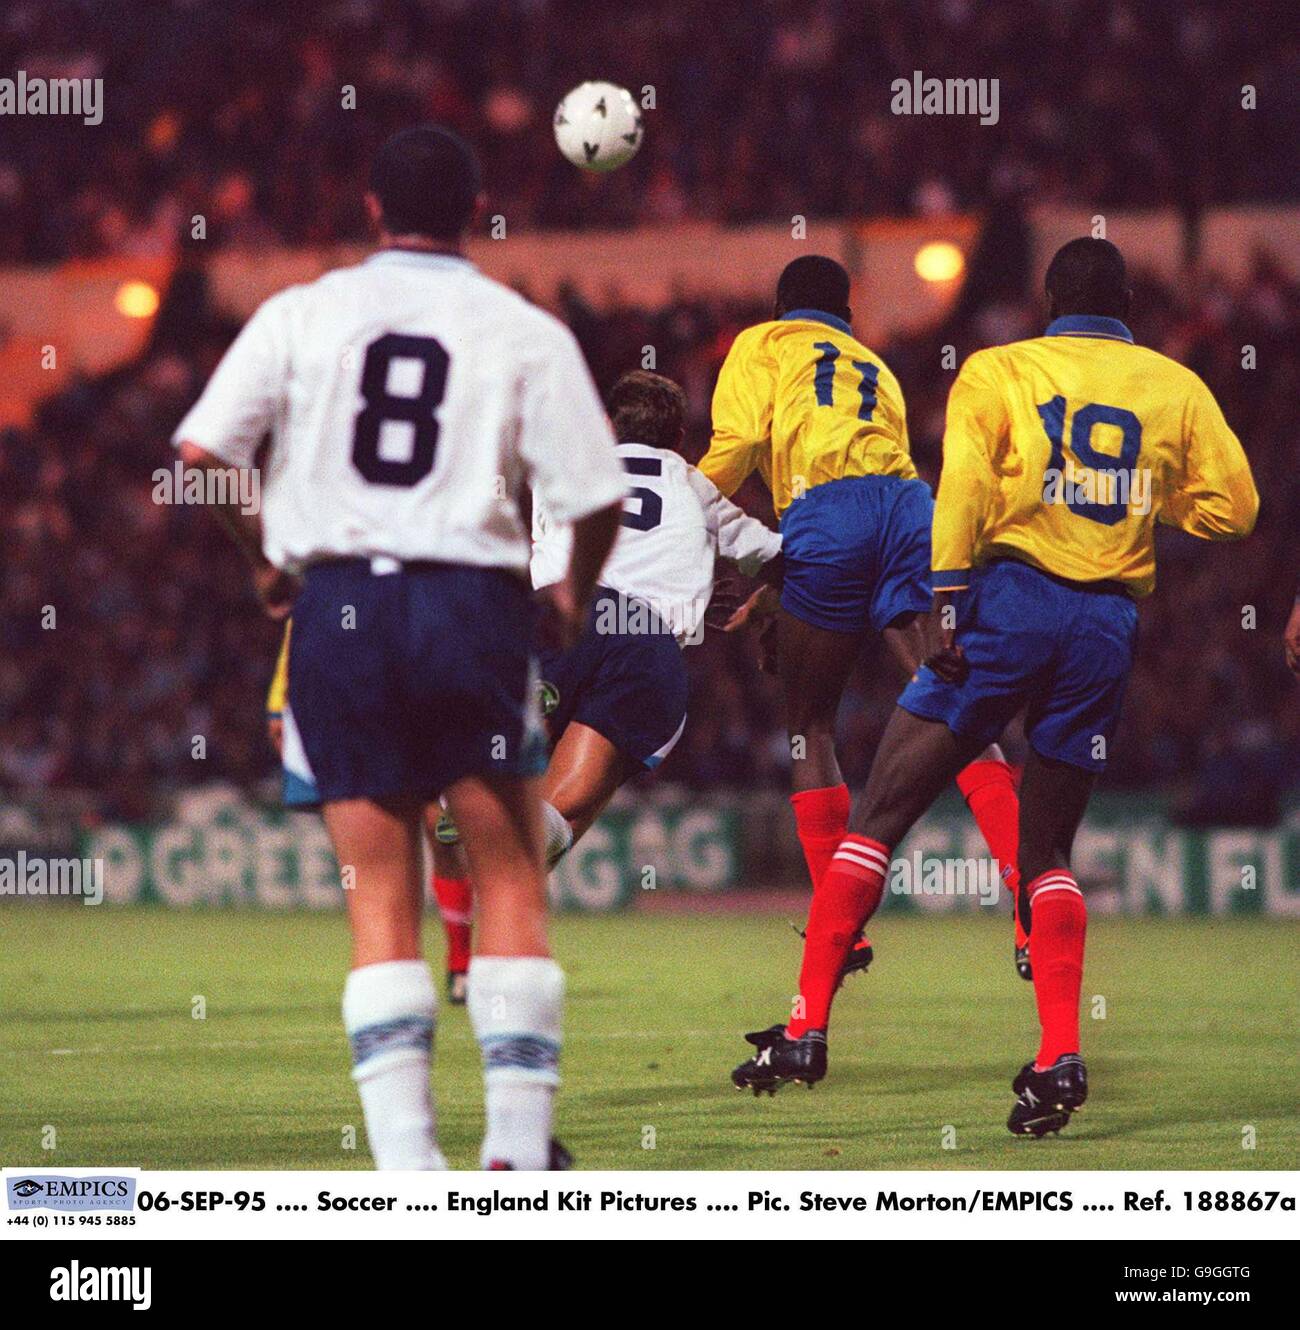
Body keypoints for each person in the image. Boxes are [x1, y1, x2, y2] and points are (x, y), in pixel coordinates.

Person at [174, 125, 626, 1169]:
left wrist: (267, 557)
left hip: (340, 608)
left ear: (373, 208)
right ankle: (513, 1156)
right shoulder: (521, 328)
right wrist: (569, 593)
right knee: (509, 868)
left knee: (377, 891)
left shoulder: (305, 310)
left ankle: (407, 1169)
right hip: (470, 603)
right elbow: (596, 493)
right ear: (476, 210)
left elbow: (201, 452)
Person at [780, 238, 1258, 1130]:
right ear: (1127, 304)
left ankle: (806, 1026)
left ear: (1047, 301)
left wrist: (950, 598)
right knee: (1047, 853)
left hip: (1009, 602)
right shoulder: (1172, 385)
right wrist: (1152, 501)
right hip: (1107, 625)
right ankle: (1058, 1056)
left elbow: (960, 486)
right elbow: (1239, 508)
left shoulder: (1000, 369)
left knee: (882, 810)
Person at [699, 256, 1025, 1093]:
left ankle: (839, 931)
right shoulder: (870, 361)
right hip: (908, 504)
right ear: (845, 312)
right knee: (956, 706)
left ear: (779, 306)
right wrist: (782, 584)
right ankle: (1027, 897)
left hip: (829, 517)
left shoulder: (761, 344)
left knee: (808, 722)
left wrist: (672, 517)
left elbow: (737, 452)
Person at [438, 369, 784, 873]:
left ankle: (476, 779)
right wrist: (765, 600)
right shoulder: (696, 486)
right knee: (551, 830)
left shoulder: (568, 464)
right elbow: (782, 558)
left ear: (604, 424)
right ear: (679, 439)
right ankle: (524, 827)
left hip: (563, 618)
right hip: (650, 645)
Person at [267, 625, 475, 1005]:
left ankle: (459, 962)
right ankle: (386, 962)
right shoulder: (333, 585)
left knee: (438, 828)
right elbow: (303, 609)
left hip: (422, 672)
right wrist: (279, 698)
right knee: (371, 834)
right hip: (353, 684)